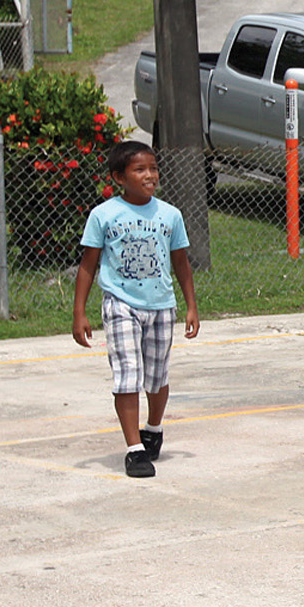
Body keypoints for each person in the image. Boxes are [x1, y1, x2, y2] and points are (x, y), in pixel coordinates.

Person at [72, 140, 200, 478]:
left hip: (160, 306)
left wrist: (191, 306)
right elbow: (89, 265)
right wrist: (79, 312)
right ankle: (134, 450)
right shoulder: (103, 215)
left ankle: (153, 429)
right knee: (127, 374)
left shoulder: (170, 215)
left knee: (157, 378)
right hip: (120, 303)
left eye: (153, 168)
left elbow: (181, 262)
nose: (149, 175)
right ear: (119, 177)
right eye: (139, 169)